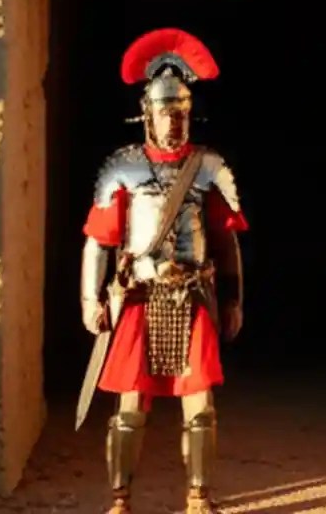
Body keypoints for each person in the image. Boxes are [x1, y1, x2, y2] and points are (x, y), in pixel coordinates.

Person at [79, 27, 247, 514]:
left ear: (189, 114)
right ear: (146, 114)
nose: (172, 121)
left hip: (192, 296)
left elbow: (225, 240)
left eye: (180, 112)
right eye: (163, 112)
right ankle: (120, 499)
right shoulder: (122, 167)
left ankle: (198, 497)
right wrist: (92, 299)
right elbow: (100, 239)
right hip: (139, 297)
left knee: (200, 409)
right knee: (128, 411)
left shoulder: (210, 167)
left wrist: (235, 299)